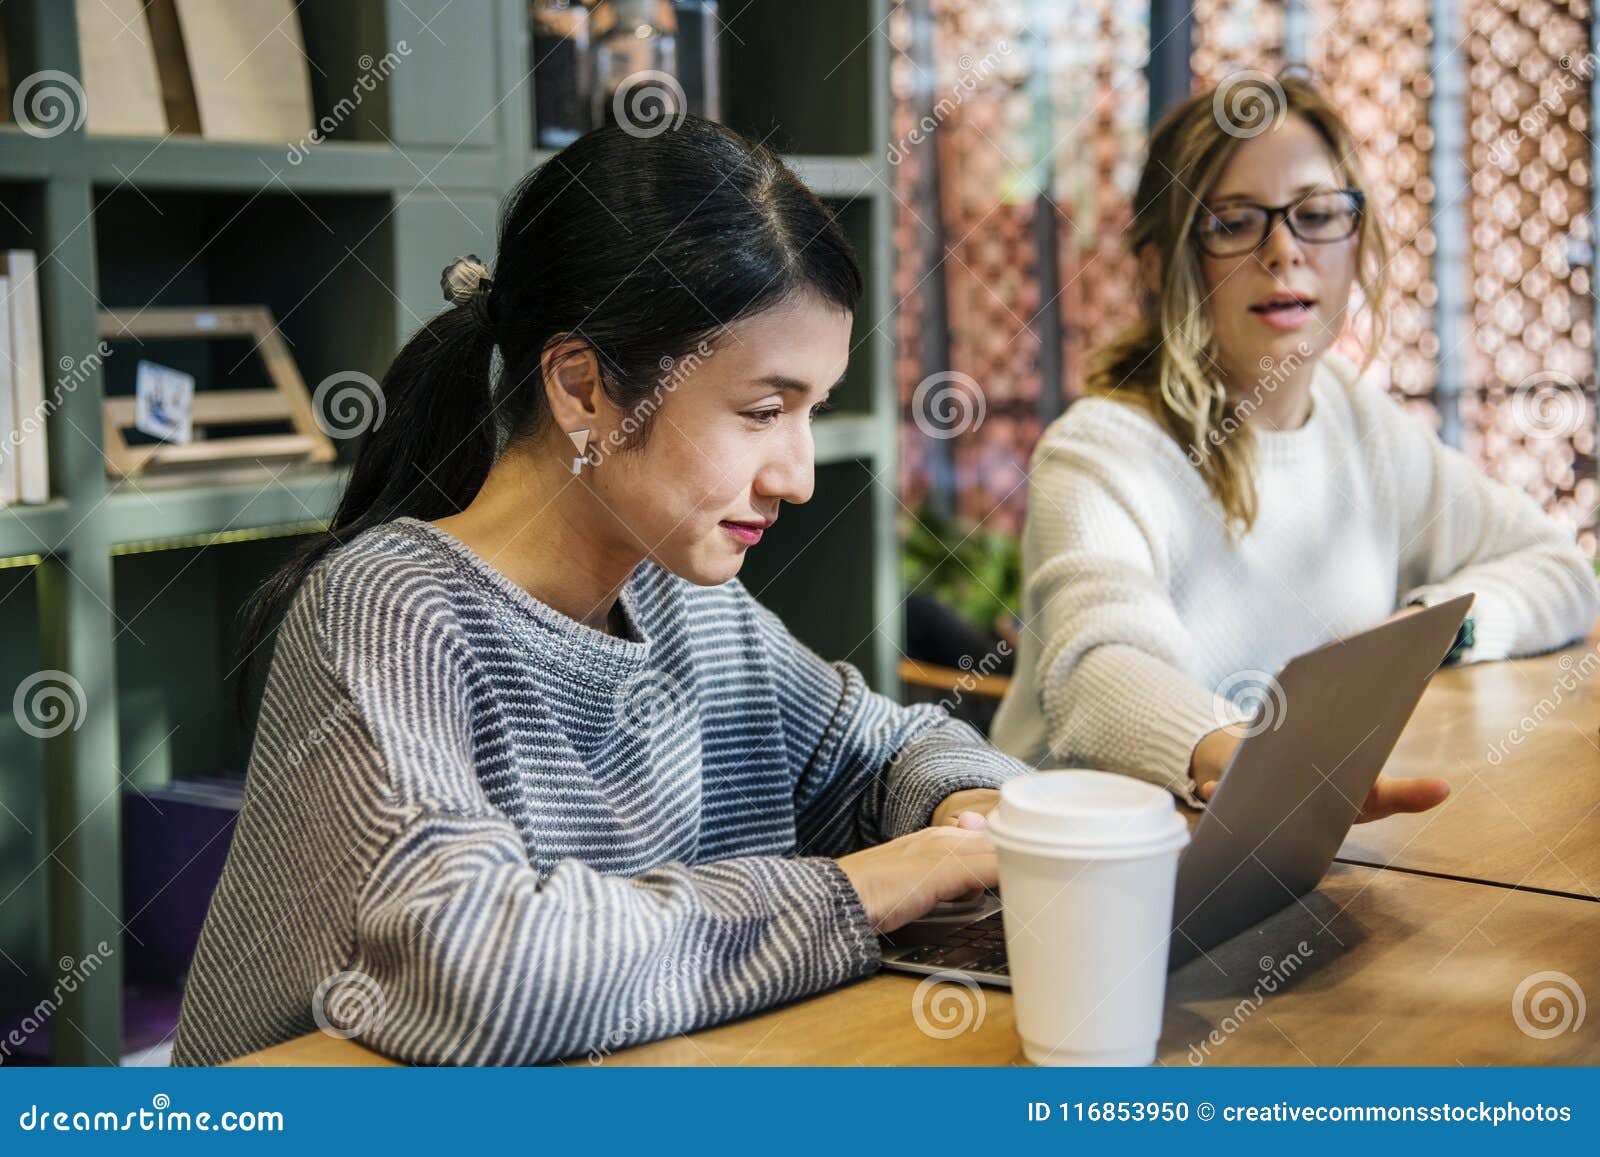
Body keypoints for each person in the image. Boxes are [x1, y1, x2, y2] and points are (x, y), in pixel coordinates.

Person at [172, 117, 1027, 1067]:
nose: (799, 474)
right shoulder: (386, 610)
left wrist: (963, 810)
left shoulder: (683, 602)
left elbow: (895, 748)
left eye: (812, 411)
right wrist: (863, 889)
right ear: (583, 388)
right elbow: (482, 973)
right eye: (762, 411)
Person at [990, 75, 1600, 814]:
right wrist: (1257, 762)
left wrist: (1430, 628)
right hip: (1091, 887)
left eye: (1316, 214)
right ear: (1160, 265)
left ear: (1355, 240)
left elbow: (1562, 572)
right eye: (1235, 222)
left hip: (1294, 853)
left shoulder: (1360, 423)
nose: (1283, 250)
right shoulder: (1098, 453)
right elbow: (1098, 674)